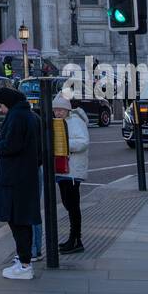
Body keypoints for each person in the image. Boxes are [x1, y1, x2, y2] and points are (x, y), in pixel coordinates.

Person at [0, 85, 40, 280]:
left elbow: (11, 146)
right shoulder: (28, 115)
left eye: (1, 106)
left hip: (15, 177)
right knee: (20, 220)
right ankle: (23, 259)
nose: (0, 110)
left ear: (8, 103)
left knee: (18, 220)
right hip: (24, 175)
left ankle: (25, 264)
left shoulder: (17, 117)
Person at [53, 93, 90, 253]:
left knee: (73, 206)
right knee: (68, 204)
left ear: (68, 109)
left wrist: (63, 143)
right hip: (62, 169)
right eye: (56, 110)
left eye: (61, 109)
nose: (58, 112)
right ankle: (73, 239)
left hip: (73, 169)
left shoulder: (75, 122)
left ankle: (76, 240)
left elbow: (83, 143)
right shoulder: (59, 122)